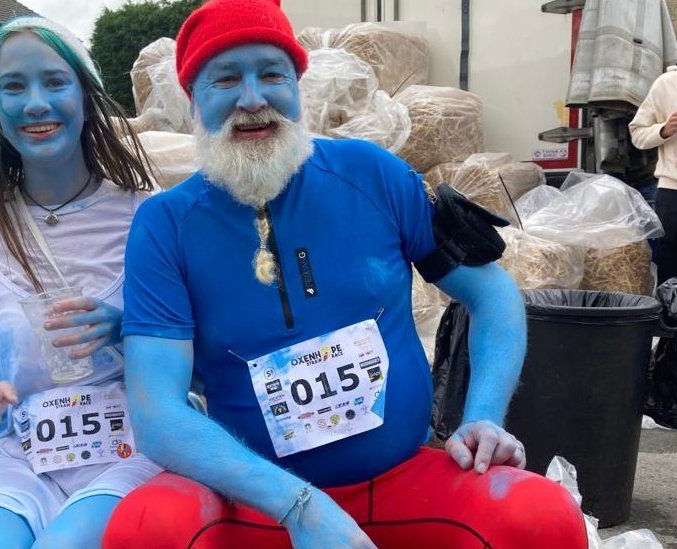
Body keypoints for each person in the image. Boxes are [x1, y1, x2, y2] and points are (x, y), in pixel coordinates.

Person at [104, 1, 588, 547]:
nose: (253, 99)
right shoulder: (165, 225)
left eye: (271, 74)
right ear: (194, 101)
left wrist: (482, 417)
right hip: (252, 504)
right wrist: (299, 506)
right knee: (143, 528)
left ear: (298, 84)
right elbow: (157, 413)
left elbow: (492, 292)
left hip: (400, 484)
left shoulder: (373, 174)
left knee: (541, 516)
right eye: (225, 79)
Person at [0, 18, 161, 548]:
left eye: (55, 82)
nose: (35, 103)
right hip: (22, 456)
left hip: (134, 446)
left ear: (86, 97)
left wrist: (125, 329)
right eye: (13, 87)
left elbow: (195, 362)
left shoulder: (147, 214)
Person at [629, 66, 677, 283]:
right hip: (673, 188)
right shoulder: (667, 82)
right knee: (670, 265)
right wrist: (663, 129)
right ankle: (669, 313)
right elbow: (637, 133)